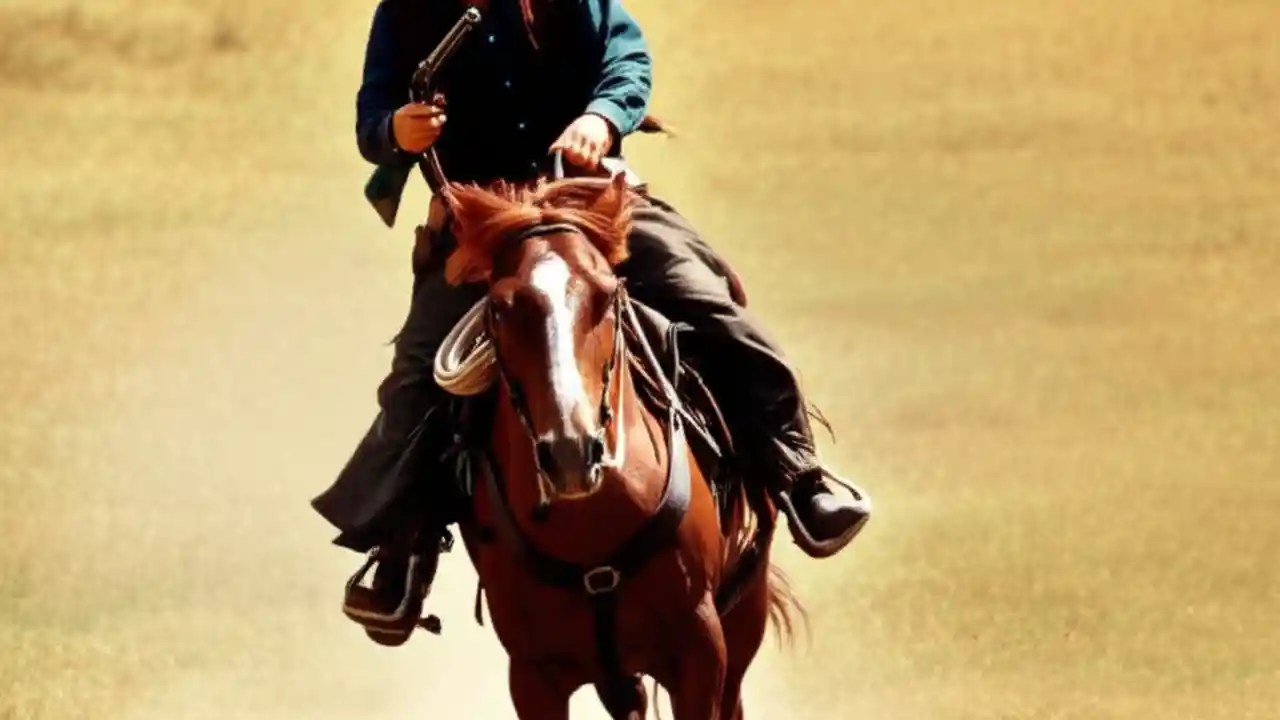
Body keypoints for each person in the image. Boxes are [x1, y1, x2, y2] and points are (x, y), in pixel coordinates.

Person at [311, 0, 871, 646]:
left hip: (592, 202)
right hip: (480, 225)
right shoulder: (406, 11)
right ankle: (405, 550)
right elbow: (372, 117)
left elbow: (626, 61)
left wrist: (600, 120)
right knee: (418, 378)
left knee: (716, 312)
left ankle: (799, 478)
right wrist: (396, 132)